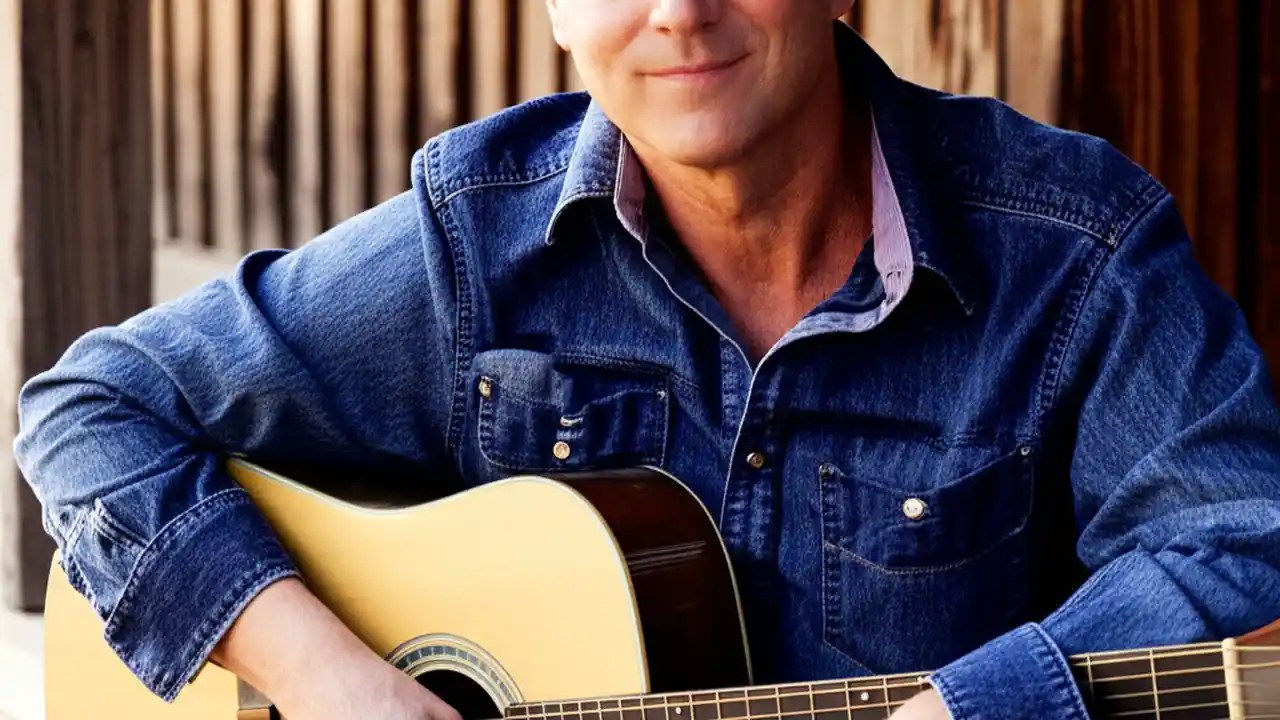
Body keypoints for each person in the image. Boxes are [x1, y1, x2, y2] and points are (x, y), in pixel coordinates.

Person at [15, 2, 1280, 719]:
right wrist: (331, 679)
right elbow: (92, 406)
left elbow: (1245, 536)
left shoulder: (1071, 251)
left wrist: (977, 708)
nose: (677, 11)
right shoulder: (479, 246)